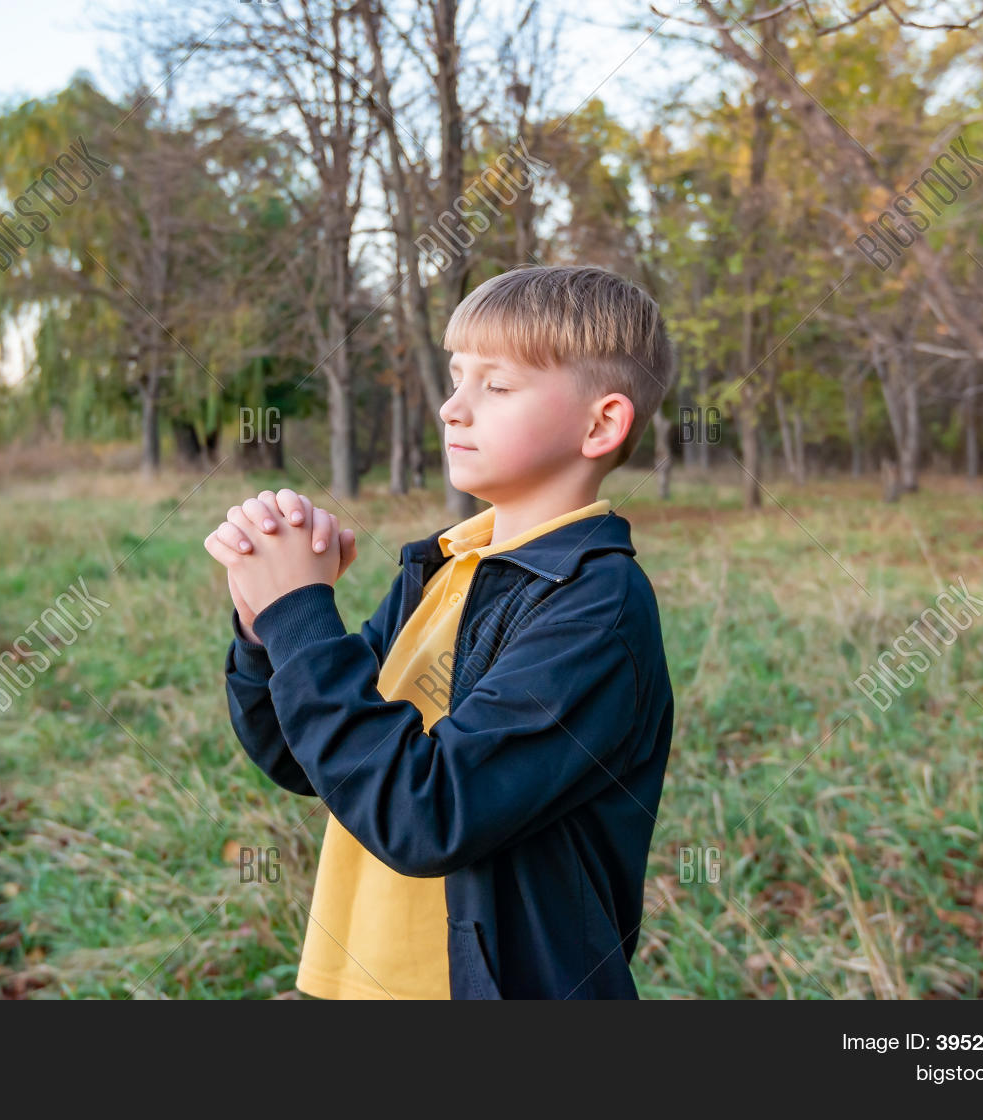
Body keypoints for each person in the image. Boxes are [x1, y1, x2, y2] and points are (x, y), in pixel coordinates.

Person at [204, 264, 676, 999]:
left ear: (600, 425)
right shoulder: (444, 567)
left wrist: (301, 614)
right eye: (456, 378)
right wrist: (268, 628)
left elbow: (429, 814)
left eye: (497, 385)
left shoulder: (595, 608)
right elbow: (313, 759)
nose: (453, 408)